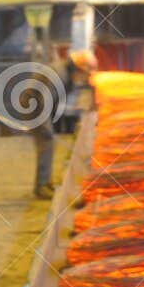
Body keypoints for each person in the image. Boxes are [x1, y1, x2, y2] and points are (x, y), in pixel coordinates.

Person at [31, 46, 95, 200]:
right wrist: (45, 124)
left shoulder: (68, 73)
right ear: (78, 68)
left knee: (48, 142)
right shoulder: (59, 75)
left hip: (42, 105)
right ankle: (41, 187)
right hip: (35, 107)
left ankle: (46, 183)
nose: (84, 77)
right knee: (47, 141)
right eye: (84, 73)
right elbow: (43, 101)